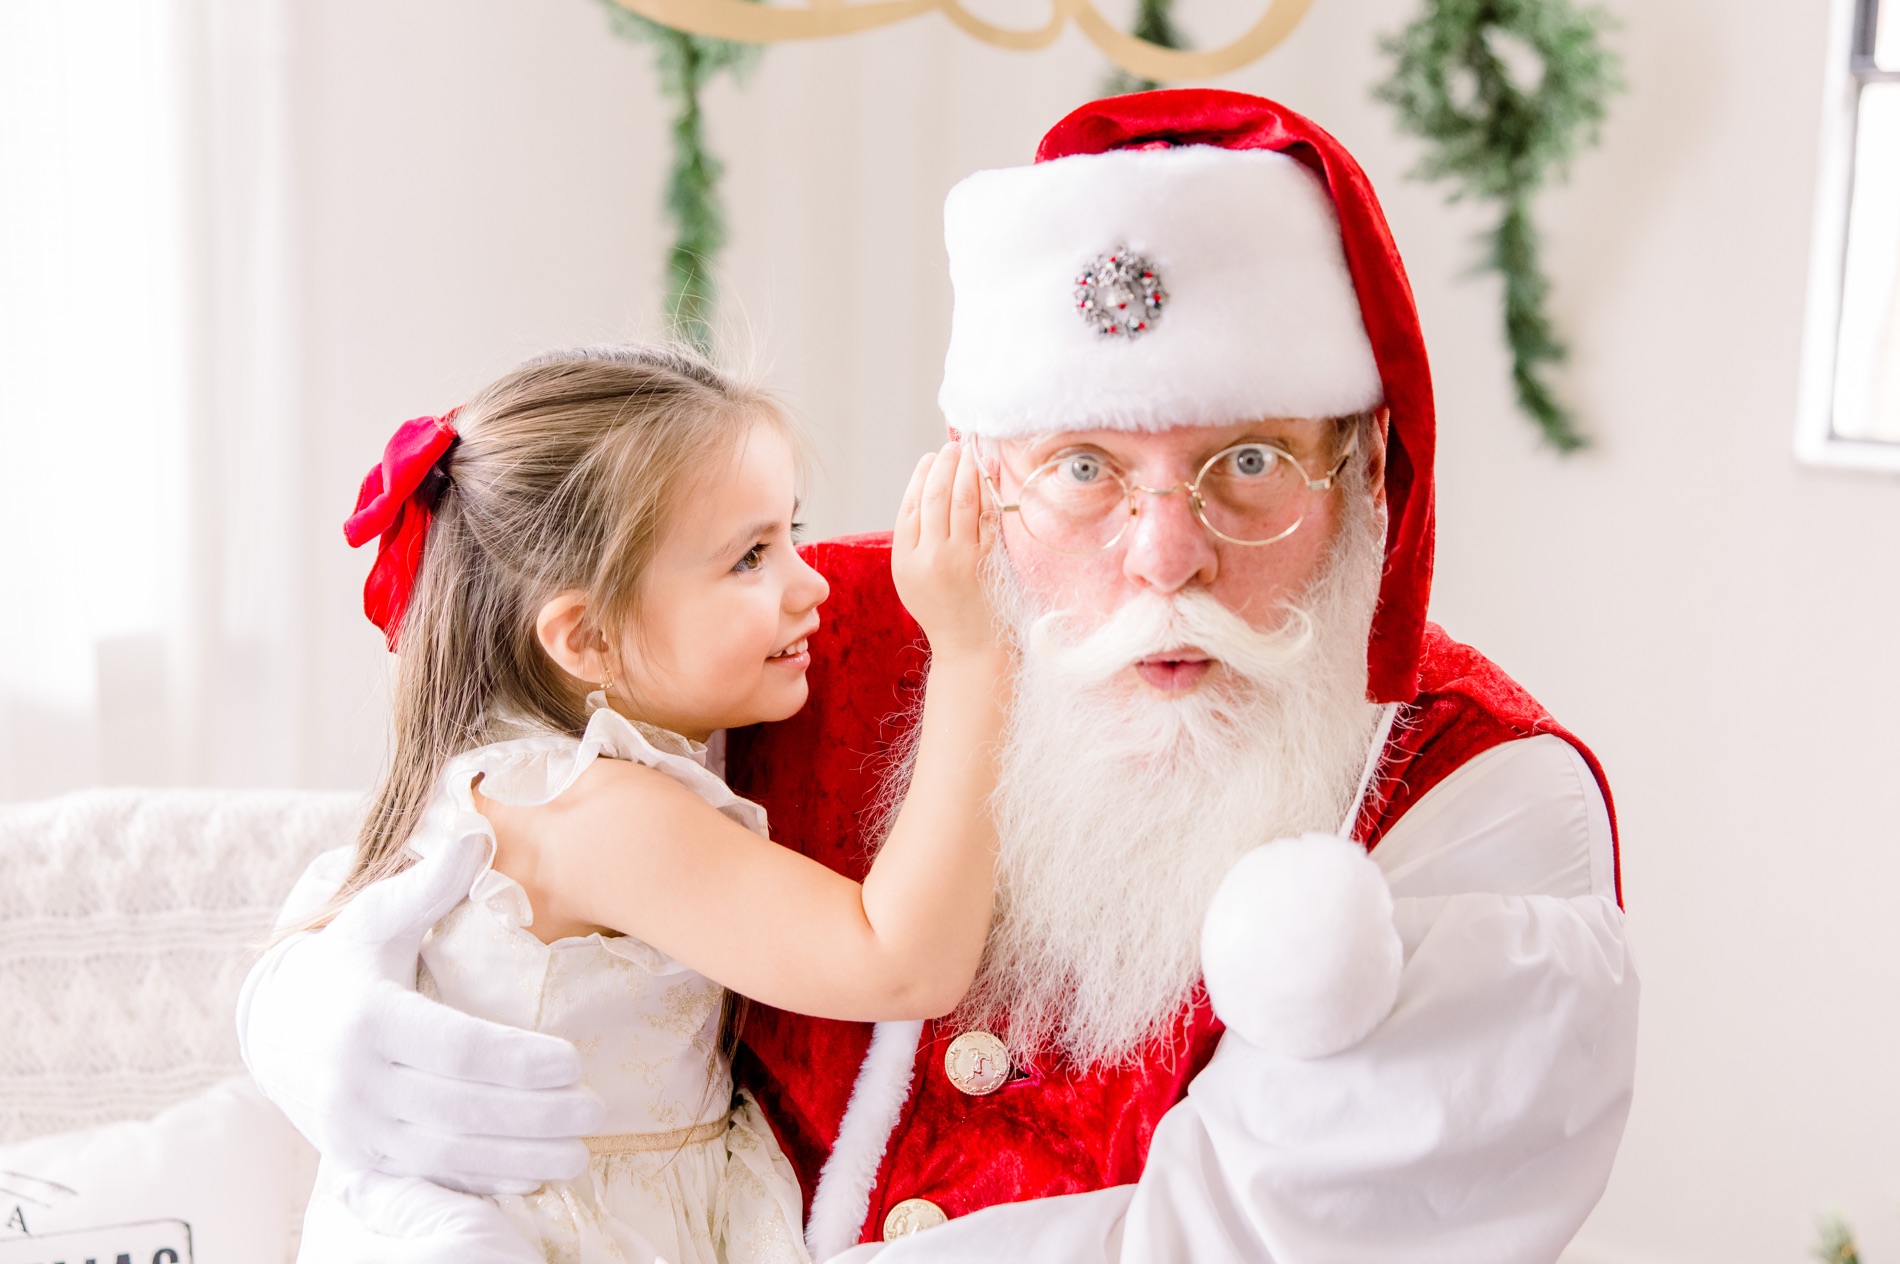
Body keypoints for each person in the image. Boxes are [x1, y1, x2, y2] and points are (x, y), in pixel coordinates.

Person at [240, 90, 1638, 1262]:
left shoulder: (1479, 800)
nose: (1165, 556)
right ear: (986, 475)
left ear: (1371, 469)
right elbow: (471, 815)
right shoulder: (801, 628)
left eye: (1251, 465)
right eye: (1083, 470)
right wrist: (295, 1003)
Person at [284, 344, 1011, 1263]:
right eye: (750, 557)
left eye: (791, 531)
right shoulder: (595, 813)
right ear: (585, 637)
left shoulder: (507, 778)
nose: (811, 584)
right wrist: (974, 654)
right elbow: (904, 962)